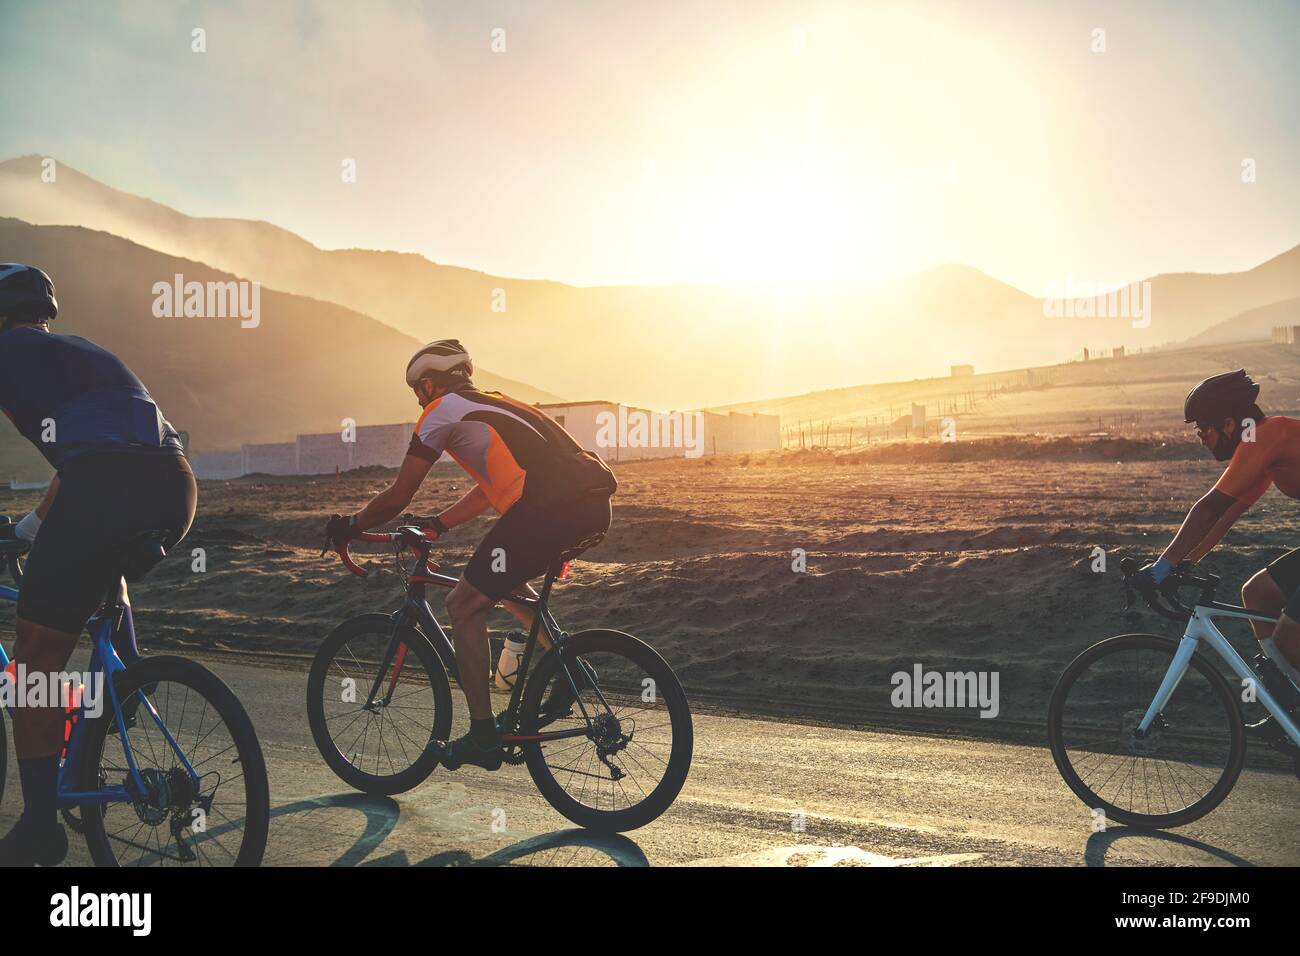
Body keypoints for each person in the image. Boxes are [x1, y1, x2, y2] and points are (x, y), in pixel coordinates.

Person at [324, 339, 616, 771]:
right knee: (506, 583)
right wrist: (439, 524)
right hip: (590, 506)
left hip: (546, 508)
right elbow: (491, 489)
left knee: (462, 603)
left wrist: (350, 526)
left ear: (429, 384)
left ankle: (482, 735)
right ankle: (571, 670)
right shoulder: (495, 403)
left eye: (417, 389)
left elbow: (398, 495)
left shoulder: (441, 412)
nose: (418, 399)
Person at [0, 263, 196, 865]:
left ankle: (40, 826)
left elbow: (93, 471)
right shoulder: (81, 353)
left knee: (33, 660)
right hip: (175, 487)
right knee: (98, 560)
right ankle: (124, 678)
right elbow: (82, 457)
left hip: (106, 489)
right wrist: (32, 528)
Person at [1137, 369, 1300, 738]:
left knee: (1291, 635)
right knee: (1257, 594)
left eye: (1203, 431)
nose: (1201, 440)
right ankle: (1287, 708)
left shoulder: (1266, 436)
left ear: (1228, 425)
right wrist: (1186, 562)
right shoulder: (1262, 446)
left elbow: (1208, 508)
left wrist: (1160, 569)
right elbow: (1225, 516)